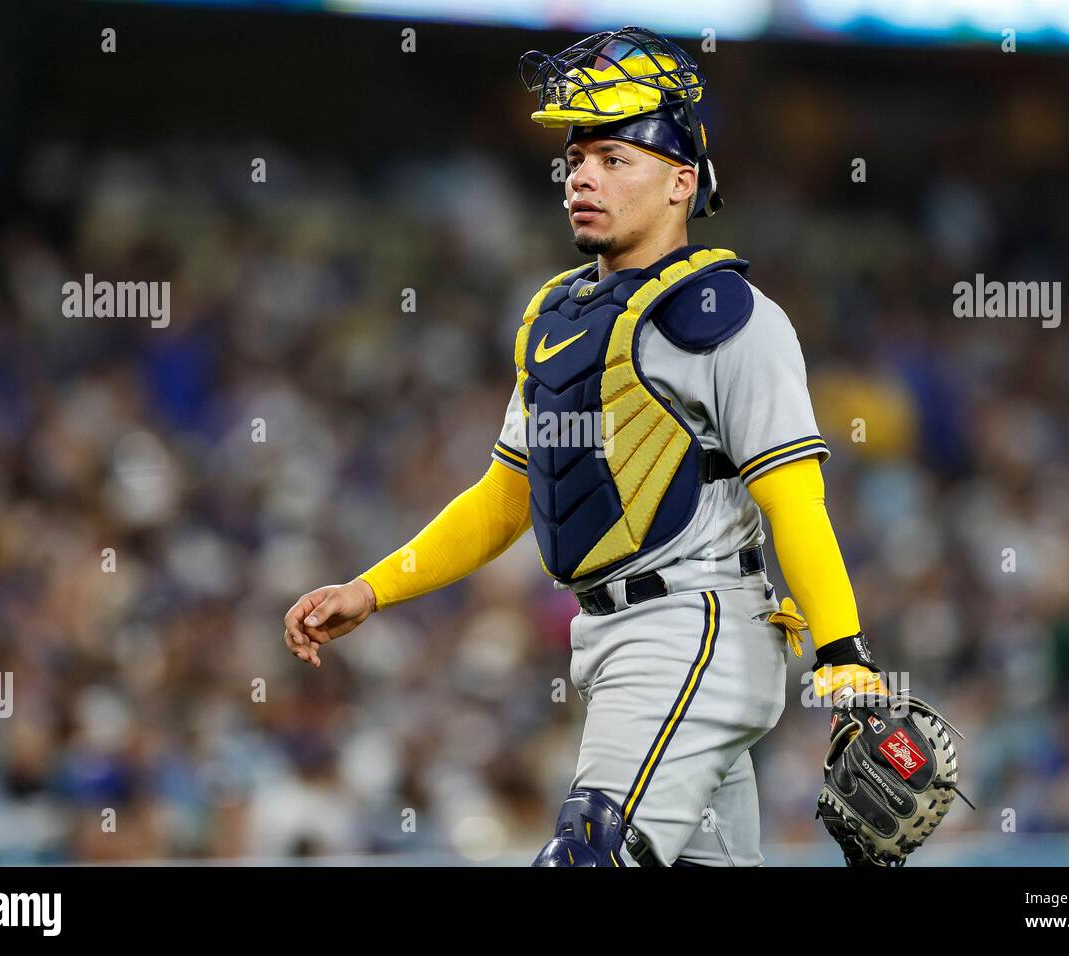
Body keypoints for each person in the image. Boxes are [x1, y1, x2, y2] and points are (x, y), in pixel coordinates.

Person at [282, 26, 886, 867]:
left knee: (586, 856)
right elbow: (506, 497)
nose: (582, 176)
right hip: (615, 640)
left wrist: (845, 655)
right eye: (577, 159)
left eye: (614, 157)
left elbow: (793, 498)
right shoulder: (555, 314)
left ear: (682, 182)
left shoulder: (726, 316)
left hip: (691, 628)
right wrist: (372, 589)